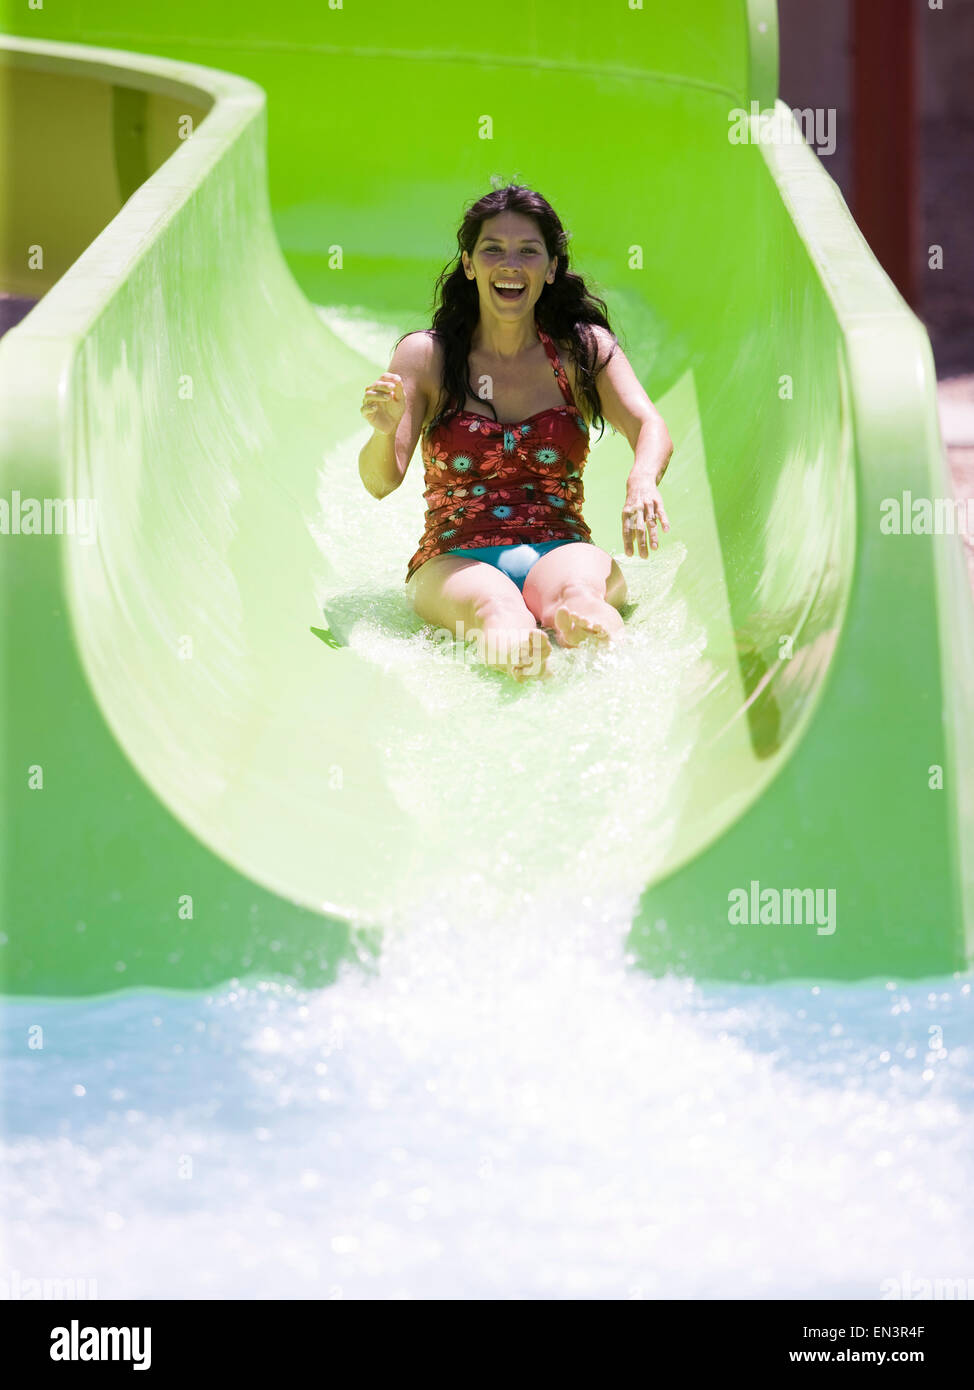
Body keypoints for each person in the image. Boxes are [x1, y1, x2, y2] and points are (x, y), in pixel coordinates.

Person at [359, 184, 673, 681]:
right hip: (455, 555)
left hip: (561, 543)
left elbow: (649, 424)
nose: (510, 263)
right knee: (493, 607)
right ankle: (519, 646)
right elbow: (381, 481)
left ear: (550, 269)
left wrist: (643, 479)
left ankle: (581, 634)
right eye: (493, 250)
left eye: (529, 251)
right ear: (468, 264)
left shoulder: (582, 351)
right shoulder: (428, 356)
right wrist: (383, 430)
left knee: (577, 595)